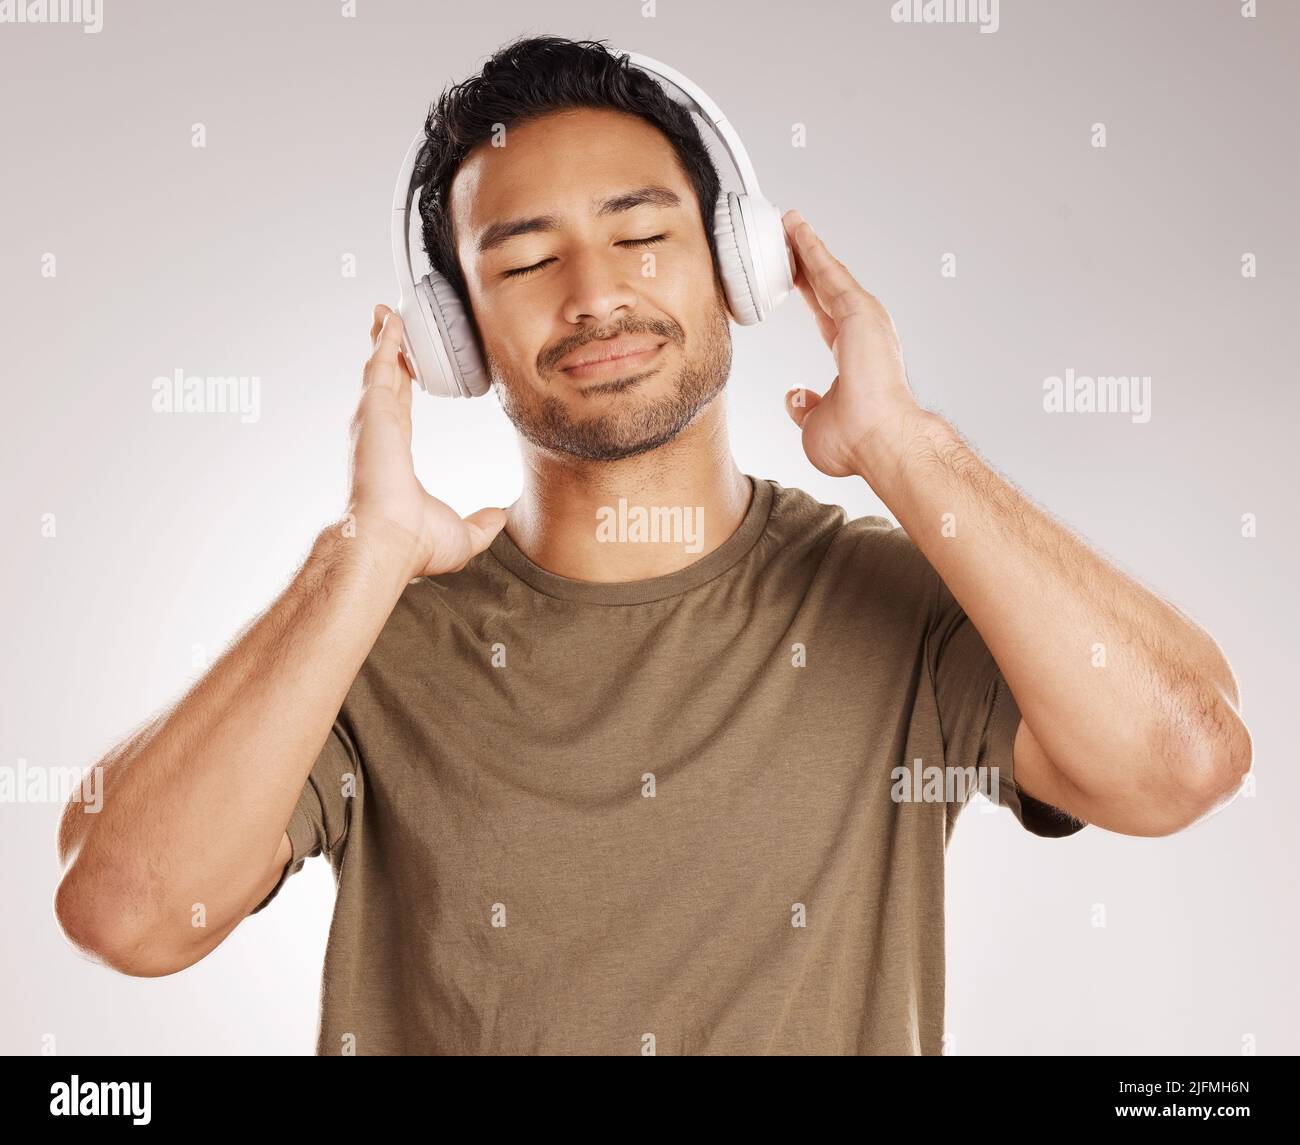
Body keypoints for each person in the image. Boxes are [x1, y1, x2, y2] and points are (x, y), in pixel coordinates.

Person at [53, 35, 1250, 1055]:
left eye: (641, 234)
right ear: (455, 331)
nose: (591, 294)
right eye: (522, 260)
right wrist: (357, 556)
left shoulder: (901, 602)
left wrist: (905, 444)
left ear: (735, 264)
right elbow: (127, 910)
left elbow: (1183, 760)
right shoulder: (362, 641)